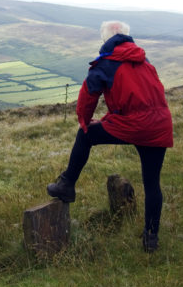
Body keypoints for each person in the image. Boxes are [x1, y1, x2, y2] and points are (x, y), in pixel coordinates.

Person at [47, 20, 174, 252]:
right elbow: (137, 103)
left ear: (105, 39)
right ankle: (151, 238)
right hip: (159, 125)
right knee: (152, 183)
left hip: (134, 126)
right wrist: (107, 121)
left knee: (85, 136)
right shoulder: (144, 60)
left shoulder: (106, 63)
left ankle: (66, 185)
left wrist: (85, 122)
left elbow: (88, 97)